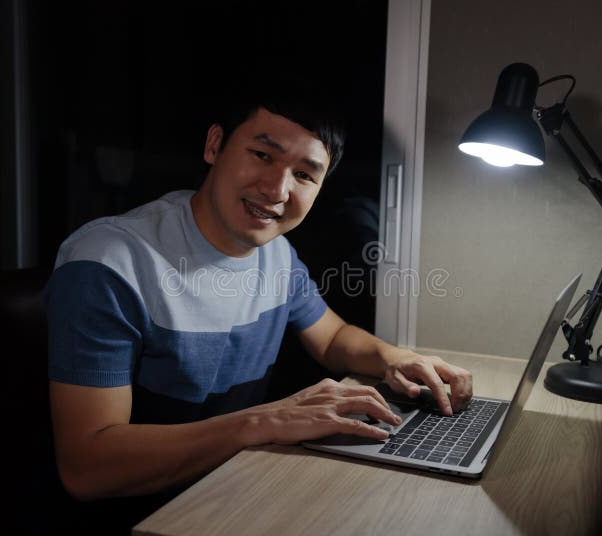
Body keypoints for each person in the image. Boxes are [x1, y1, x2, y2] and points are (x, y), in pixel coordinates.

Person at [44, 87, 472, 532]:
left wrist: (397, 359)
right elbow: (86, 468)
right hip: (144, 518)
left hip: (231, 493)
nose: (276, 189)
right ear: (215, 145)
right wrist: (265, 421)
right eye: (263, 155)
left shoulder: (276, 255)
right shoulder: (108, 262)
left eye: (305, 175)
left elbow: (332, 337)